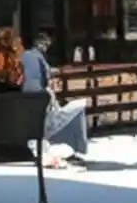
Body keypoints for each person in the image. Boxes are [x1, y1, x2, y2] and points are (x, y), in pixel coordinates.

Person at [22, 32, 90, 165]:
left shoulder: (24, 56)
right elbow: (41, 78)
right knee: (74, 111)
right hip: (40, 98)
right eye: (46, 44)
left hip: (26, 99)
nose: (46, 47)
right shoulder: (38, 58)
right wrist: (49, 92)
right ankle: (70, 146)